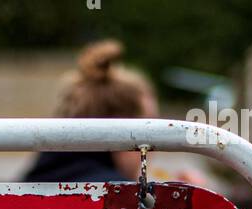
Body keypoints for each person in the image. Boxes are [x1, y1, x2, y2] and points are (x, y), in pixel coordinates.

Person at [22, 40, 157, 185]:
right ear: (123, 129)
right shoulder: (119, 197)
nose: (154, 149)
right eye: (149, 130)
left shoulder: (21, 189)